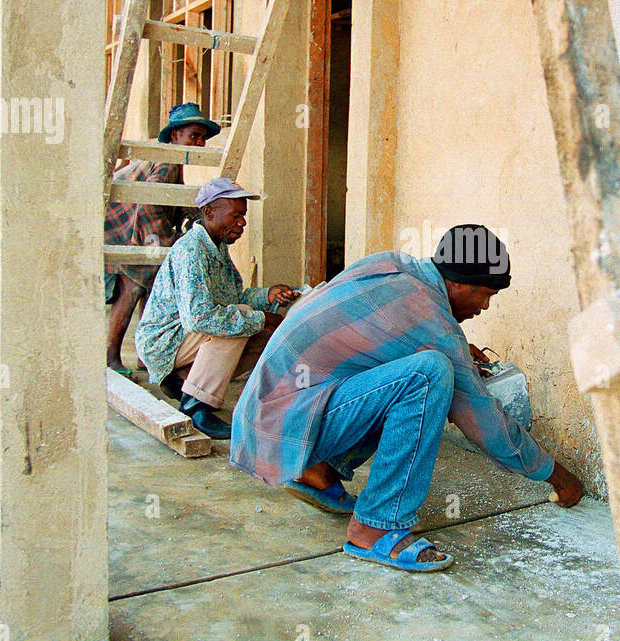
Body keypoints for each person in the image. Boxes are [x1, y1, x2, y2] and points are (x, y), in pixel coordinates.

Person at [230, 224, 584, 573]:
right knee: (430, 373)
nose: (486, 306)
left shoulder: (390, 264)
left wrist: (456, 348)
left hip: (267, 415)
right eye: (485, 293)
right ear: (457, 282)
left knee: (419, 369)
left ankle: (316, 470)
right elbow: (485, 423)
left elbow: (373, 336)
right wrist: (557, 476)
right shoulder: (433, 325)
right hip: (282, 429)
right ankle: (376, 526)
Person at [134, 177, 301, 439]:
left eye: (243, 216)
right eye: (236, 215)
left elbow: (233, 296)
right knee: (242, 320)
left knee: (262, 334)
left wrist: (268, 295)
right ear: (209, 212)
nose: (242, 222)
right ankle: (197, 405)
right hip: (163, 343)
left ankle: (187, 383)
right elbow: (199, 318)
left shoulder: (217, 247)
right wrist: (260, 318)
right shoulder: (192, 251)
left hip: (184, 341)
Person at [104, 103, 224, 378]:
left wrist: (190, 213)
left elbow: (169, 197)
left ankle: (146, 357)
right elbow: (148, 205)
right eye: (194, 135)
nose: (200, 142)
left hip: (137, 225)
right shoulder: (167, 161)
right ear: (174, 136)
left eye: (203, 137)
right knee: (131, 291)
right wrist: (170, 240)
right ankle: (111, 358)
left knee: (151, 291)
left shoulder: (172, 160)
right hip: (126, 223)